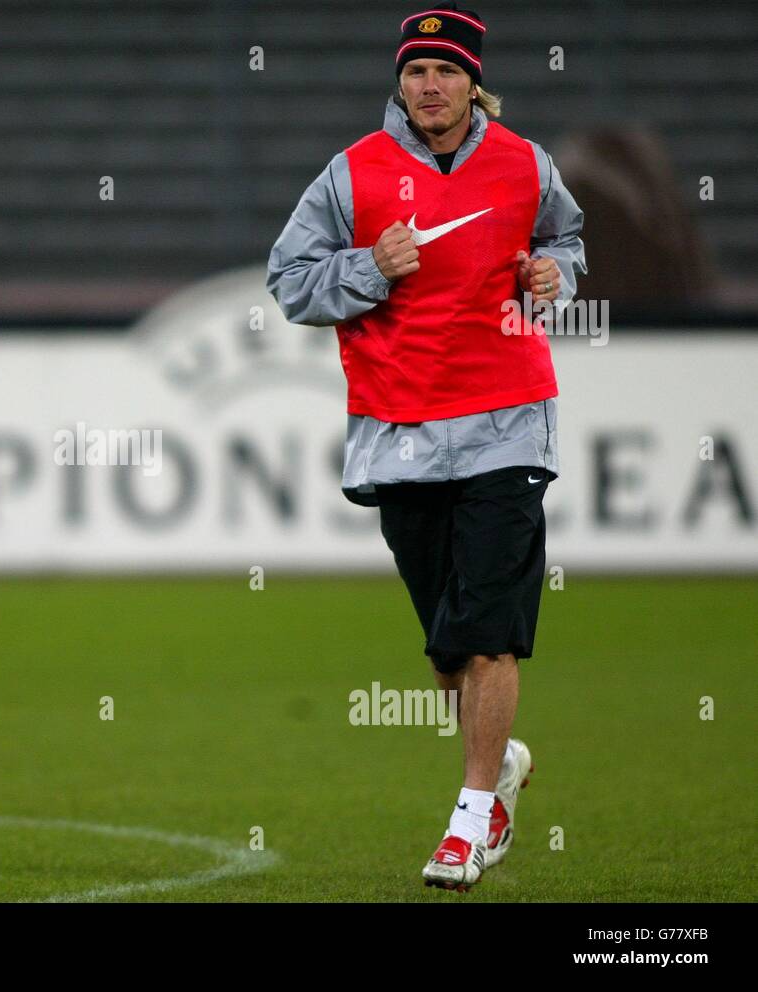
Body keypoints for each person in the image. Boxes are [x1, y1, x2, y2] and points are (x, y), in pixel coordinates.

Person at [266, 3, 586, 891]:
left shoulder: (526, 163)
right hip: (399, 433)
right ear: (399, 81)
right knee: (449, 649)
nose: (431, 86)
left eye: (446, 71)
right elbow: (289, 282)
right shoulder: (352, 174)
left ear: (472, 82)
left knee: (487, 632)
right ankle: (503, 764)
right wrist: (370, 267)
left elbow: (565, 234)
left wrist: (556, 273)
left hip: (507, 420)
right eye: (416, 71)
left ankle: (469, 823)